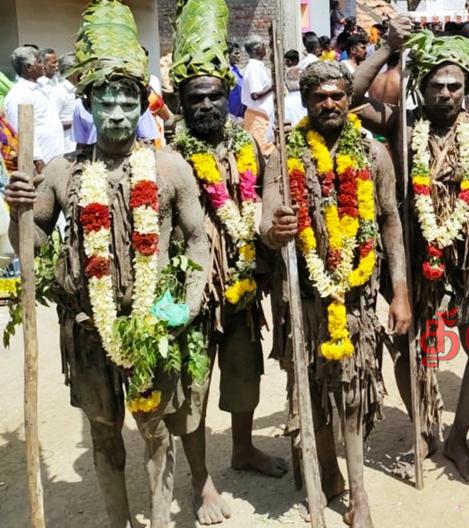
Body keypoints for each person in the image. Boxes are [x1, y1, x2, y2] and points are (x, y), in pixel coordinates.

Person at [5, 1, 213, 525]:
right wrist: (18, 210)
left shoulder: (170, 166)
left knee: (157, 430)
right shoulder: (60, 171)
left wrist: (183, 307)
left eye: (127, 102)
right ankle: (117, 518)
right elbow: (28, 245)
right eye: (106, 102)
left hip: (154, 323)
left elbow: (197, 241)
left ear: (142, 107)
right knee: (103, 431)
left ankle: (160, 517)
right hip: (89, 327)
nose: (117, 113)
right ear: (88, 106)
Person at [352, 19, 469, 483]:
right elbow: (352, 99)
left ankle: (459, 437)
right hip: (415, 253)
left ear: (468, 88)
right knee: (409, 347)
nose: (445, 93)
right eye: (436, 85)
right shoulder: (402, 129)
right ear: (420, 88)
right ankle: (425, 428)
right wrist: (389, 47)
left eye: (454, 85)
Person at [261, 59, 410, 527]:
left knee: (349, 393)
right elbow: (266, 218)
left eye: (337, 95)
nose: (329, 103)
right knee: (310, 387)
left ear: (350, 99)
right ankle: (325, 472)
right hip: (303, 296)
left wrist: (400, 291)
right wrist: (277, 231)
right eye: (319, 97)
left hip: (358, 294)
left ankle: (359, 493)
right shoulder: (283, 156)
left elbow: (389, 220)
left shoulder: (373, 153)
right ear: (305, 102)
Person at [170, 0, 289, 508]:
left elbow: (264, 201)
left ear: (228, 96)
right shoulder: (166, 157)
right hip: (189, 289)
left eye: (215, 96)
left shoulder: (249, 145)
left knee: (245, 375)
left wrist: (273, 226)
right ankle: (200, 481)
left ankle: (242, 449)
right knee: (192, 384)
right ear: (181, 102)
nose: (205, 107)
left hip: (242, 284)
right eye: (195, 98)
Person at [5, 46, 65, 172]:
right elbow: (20, 132)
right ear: (28, 67)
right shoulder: (18, 94)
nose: (43, 65)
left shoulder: (39, 88)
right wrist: (37, 159)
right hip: (41, 162)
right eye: (38, 61)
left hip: (54, 156)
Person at [240, 35, 275, 155]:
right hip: (257, 118)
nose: (265, 48)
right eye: (263, 46)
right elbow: (255, 95)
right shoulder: (253, 67)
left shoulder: (258, 66)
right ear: (257, 49)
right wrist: (273, 87)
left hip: (263, 117)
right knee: (262, 154)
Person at [49, 53, 78, 153]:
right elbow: (50, 124)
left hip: (79, 146)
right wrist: (77, 123)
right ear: (71, 71)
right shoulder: (59, 92)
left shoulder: (77, 90)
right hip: (66, 147)